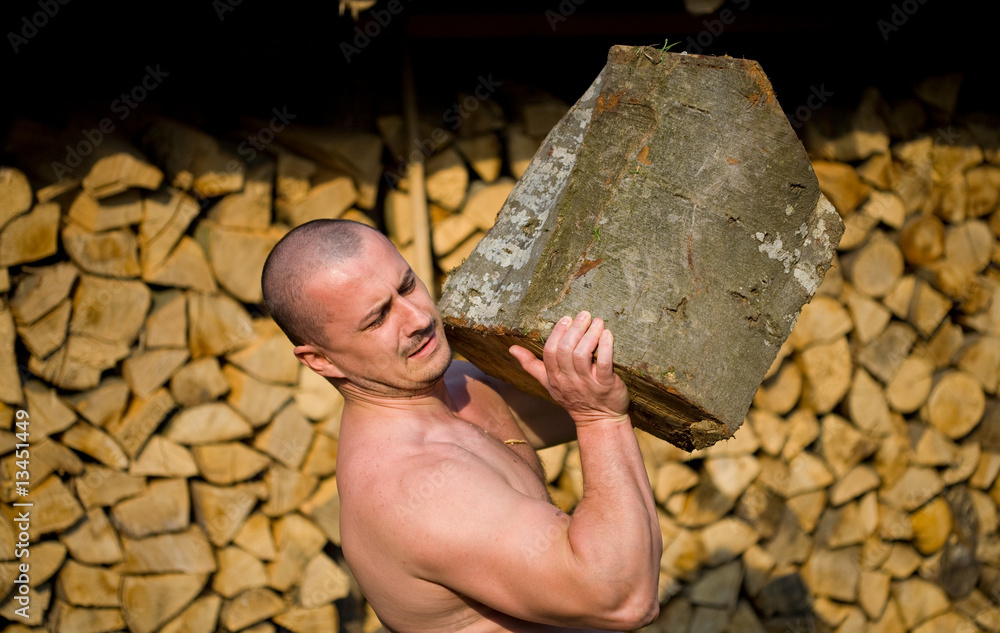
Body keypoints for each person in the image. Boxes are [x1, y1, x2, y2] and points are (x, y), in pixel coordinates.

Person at [261, 218, 662, 632]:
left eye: (407, 286)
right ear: (320, 360)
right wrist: (600, 419)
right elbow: (624, 599)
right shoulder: (416, 486)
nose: (418, 318)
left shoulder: (456, 386)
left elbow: (608, 395)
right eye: (377, 319)